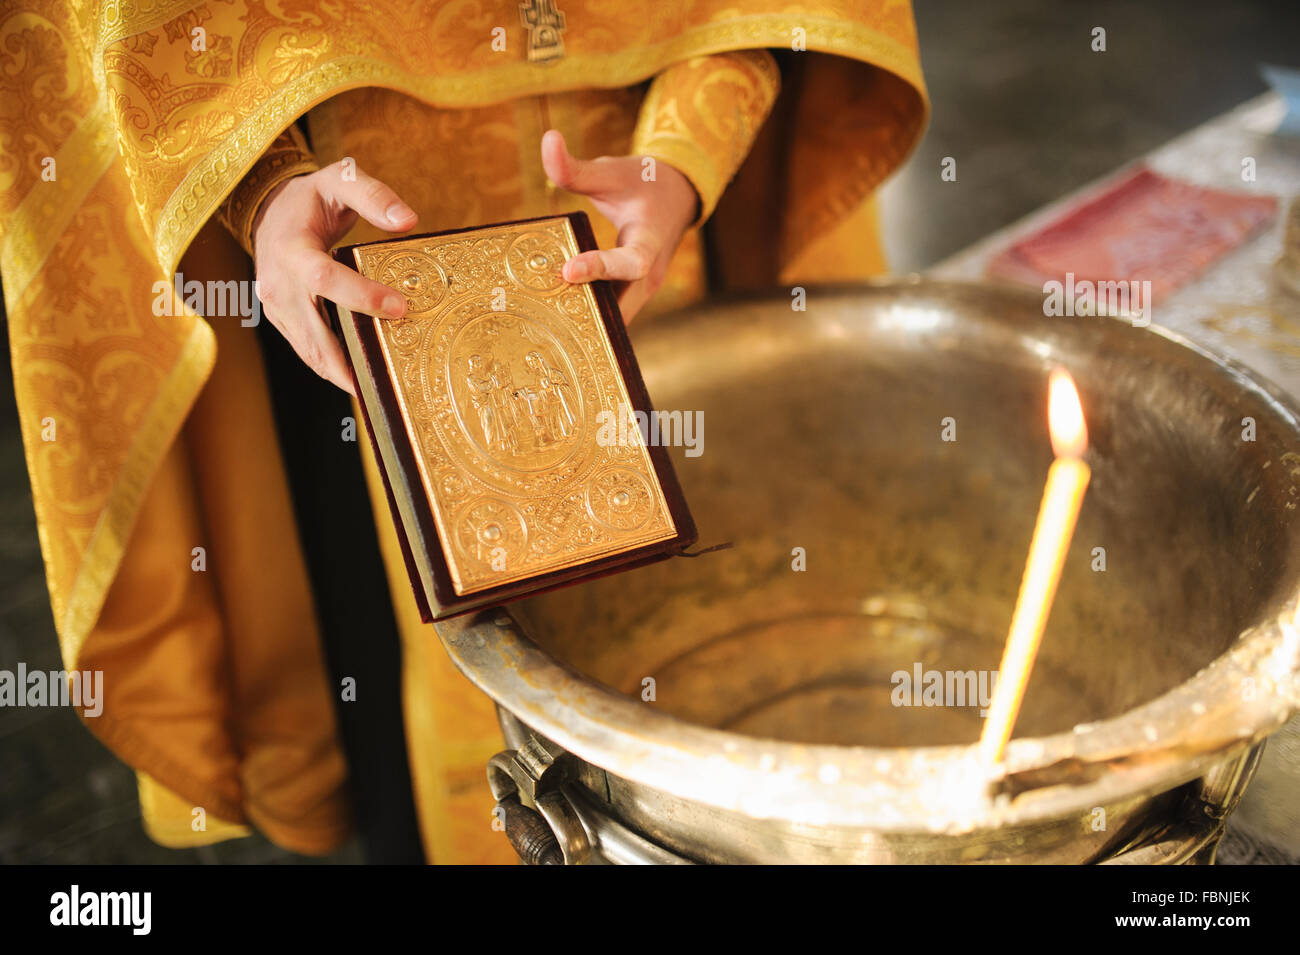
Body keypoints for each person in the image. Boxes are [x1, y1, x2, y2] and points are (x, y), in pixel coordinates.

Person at [1, 1, 927, 862]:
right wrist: (261, 187)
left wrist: (688, 151)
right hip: (342, 265)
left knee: (706, 644)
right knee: (409, 667)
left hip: (649, 222)